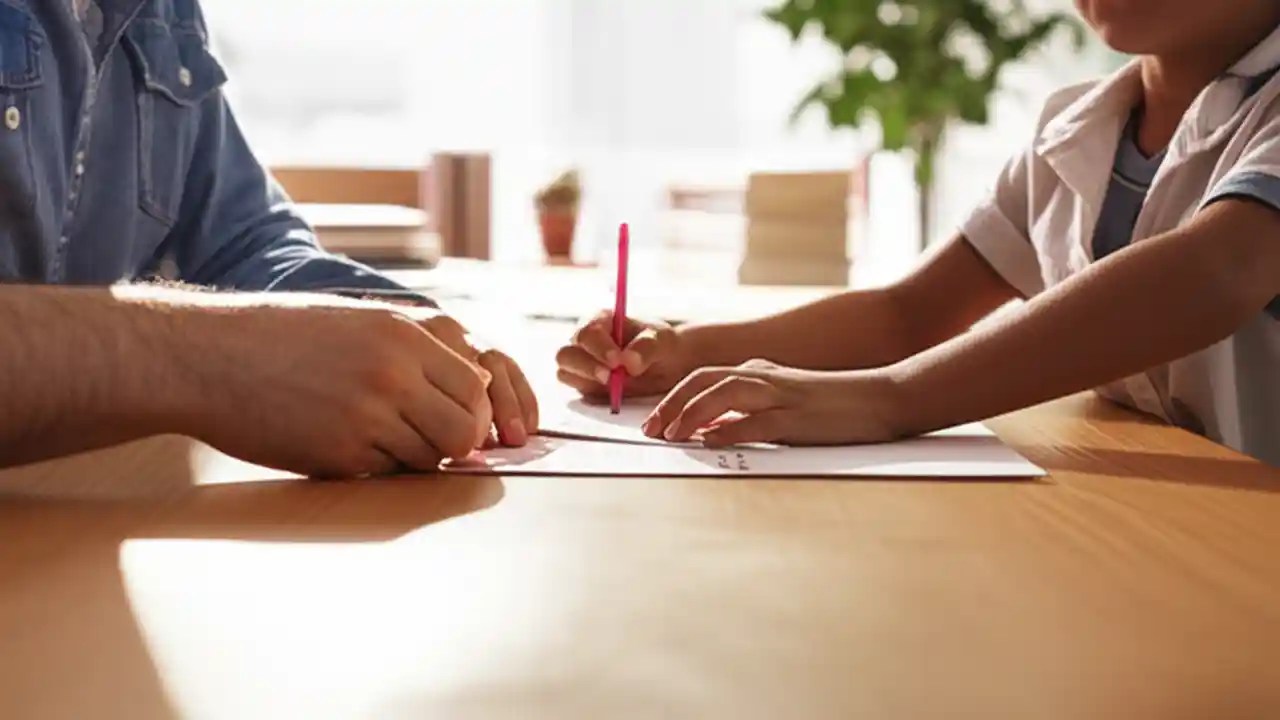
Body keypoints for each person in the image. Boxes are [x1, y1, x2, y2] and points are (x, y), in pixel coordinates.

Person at [557, 1, 1280, 466]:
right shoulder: (1079, 126)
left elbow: (1220, 270)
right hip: (1148, 522)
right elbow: (909, 314)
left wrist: (888, 399)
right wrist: (686, 349)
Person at [0, 0, 537, 476]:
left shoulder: (165, 12)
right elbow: (238, 339)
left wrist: (399, 331)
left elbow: (244, 241)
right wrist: (215, 362)